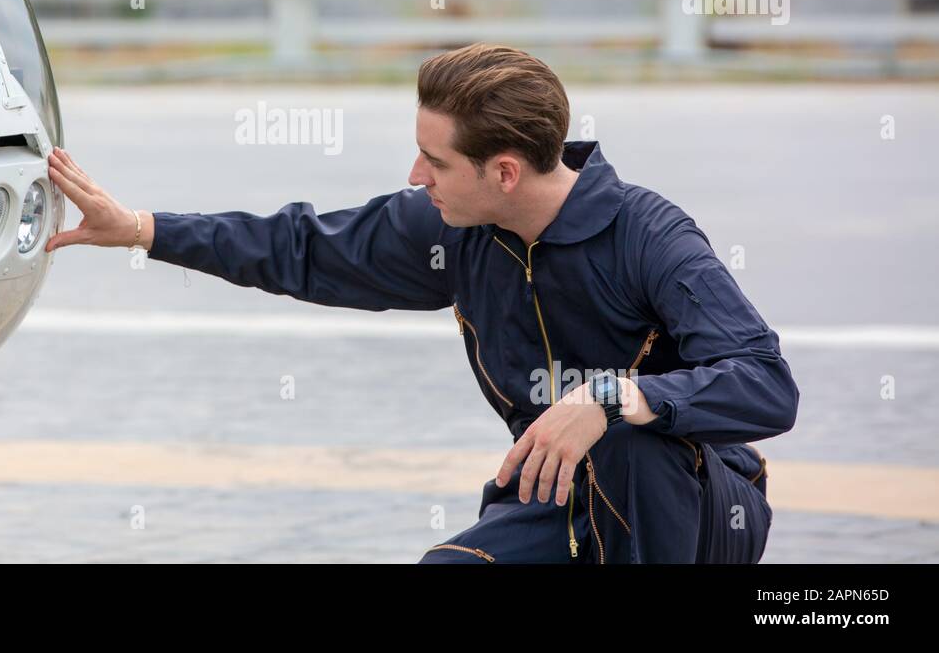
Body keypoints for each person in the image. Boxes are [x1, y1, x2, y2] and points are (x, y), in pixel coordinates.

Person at [42, 43, 799, 564]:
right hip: (554, 499)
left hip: (694, 509)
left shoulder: (649, 235)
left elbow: (766, 384)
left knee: (628, 442)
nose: (414, 175)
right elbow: (302, 248)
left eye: (434, 160)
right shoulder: (450, 228)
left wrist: (611, 398)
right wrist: (138, 228)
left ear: (504, 172)